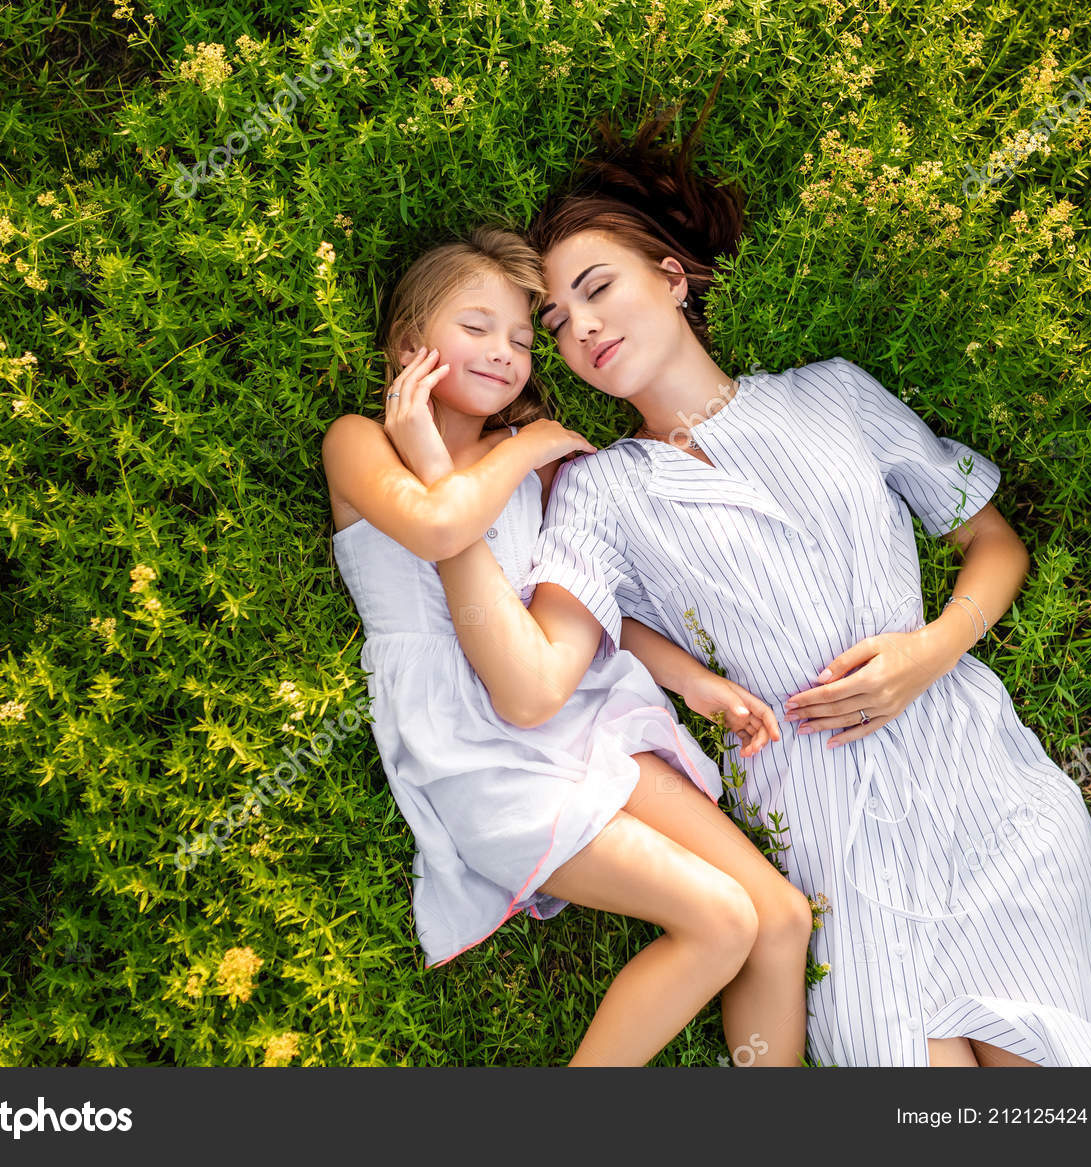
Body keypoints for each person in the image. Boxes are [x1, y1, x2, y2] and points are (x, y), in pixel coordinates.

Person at [427, 106, 1091, 1068]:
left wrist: (930, 650)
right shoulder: (597, 489)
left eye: (596, 290)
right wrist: (449, 514)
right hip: (823, 824)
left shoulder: (833, 392)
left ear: (672, 278)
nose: (579, 328)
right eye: (555, 322)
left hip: (977, 781)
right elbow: (545, 674)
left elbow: (992, 541)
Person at [323, 226, 813, 1067]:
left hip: (589, 710)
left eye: (521, 338)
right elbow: (442, 524)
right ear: (409, 346)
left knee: (779, 915)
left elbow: (587, 605)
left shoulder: (528, 469)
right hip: (479, 752)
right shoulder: (360, 443)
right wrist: (537, 440)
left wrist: (692, 680)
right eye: (475, 328)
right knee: (720, 917)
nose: (505, 353)